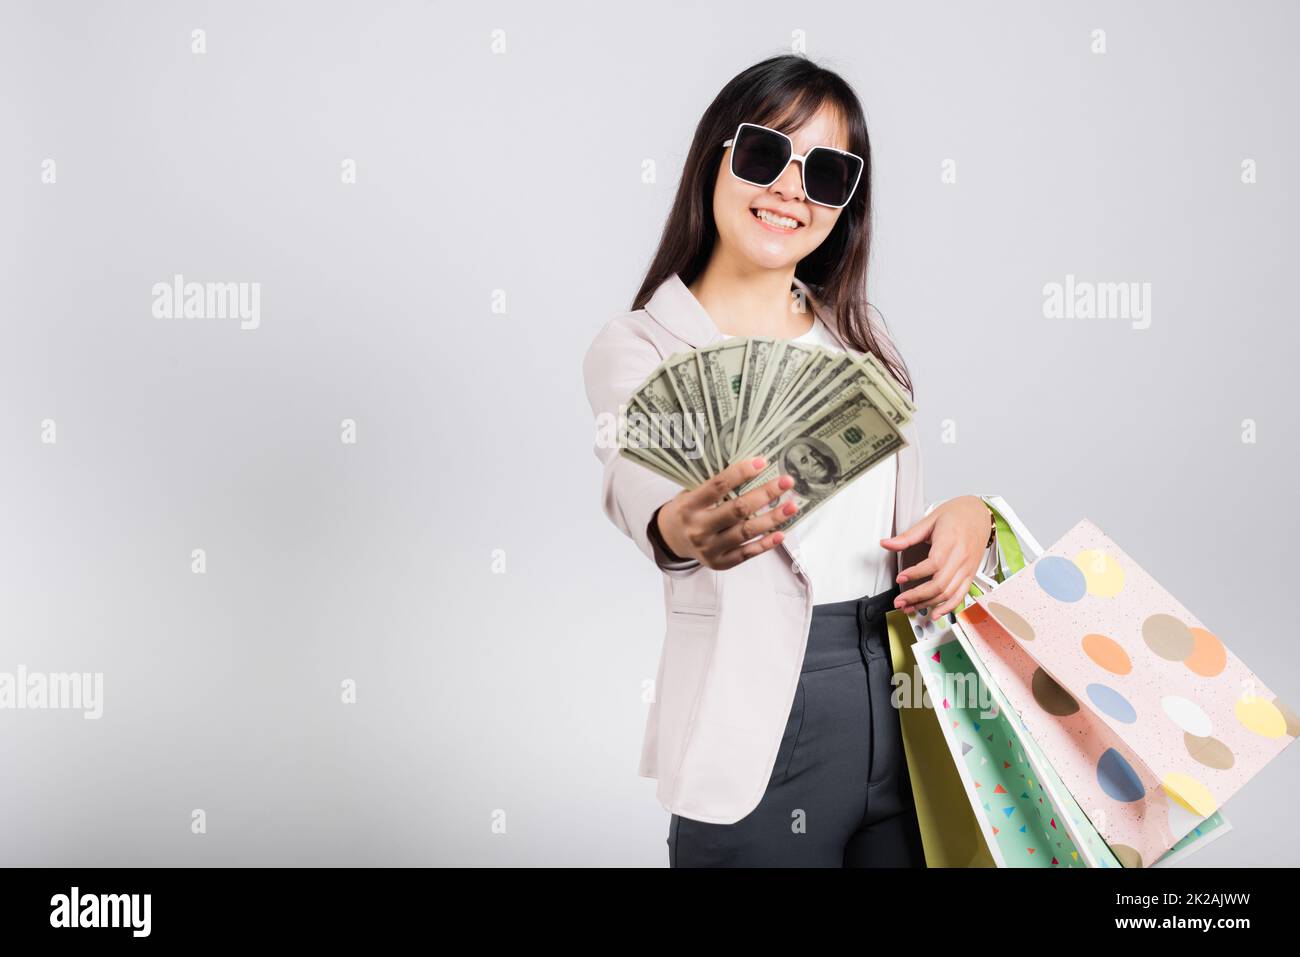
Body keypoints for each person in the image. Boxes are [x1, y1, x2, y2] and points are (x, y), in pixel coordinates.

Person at [581, 53, 1001, 867]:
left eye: (828, 171)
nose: (790, 190)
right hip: (758, 729)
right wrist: (683, 526)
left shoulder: (861, 351)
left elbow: (886, 536)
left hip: (906, 703)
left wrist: (972, 519)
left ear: (849, 201)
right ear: (716, 159)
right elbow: (636, 476)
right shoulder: (640, 346)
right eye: (767, 155)